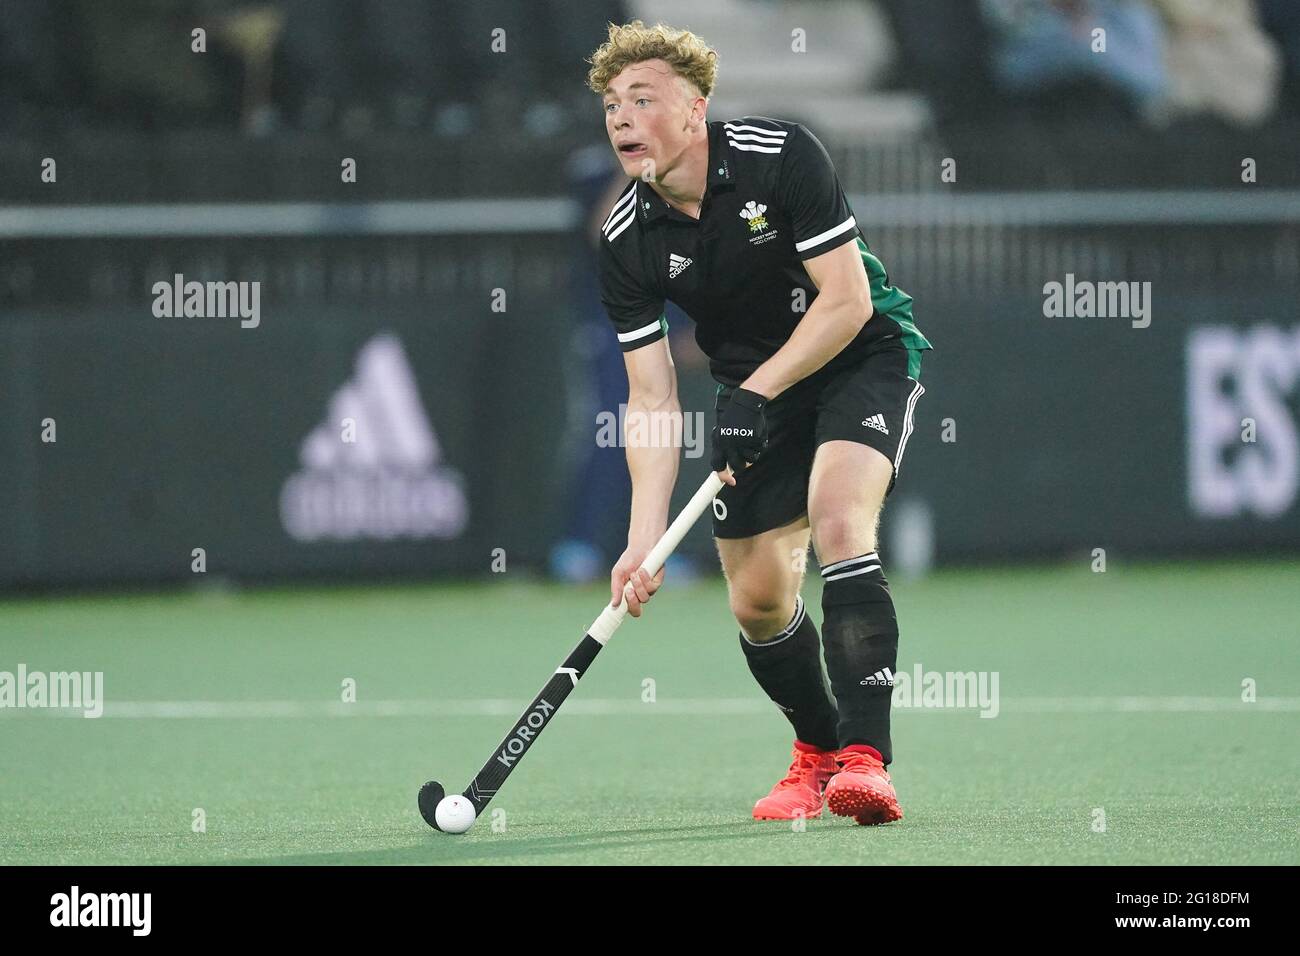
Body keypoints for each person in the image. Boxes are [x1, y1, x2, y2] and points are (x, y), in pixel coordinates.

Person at [587, 20, 931, 825]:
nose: (623, 118)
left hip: (859, 355)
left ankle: (867, 763)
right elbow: (651, 397)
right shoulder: (626, 239)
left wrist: (756, 392)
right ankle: (817, 749)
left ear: (696, 107)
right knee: (759, 600)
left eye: (644, 98)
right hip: (755, 390)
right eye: (610, 105)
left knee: (844, 523)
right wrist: (642, 539)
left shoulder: (780, 157)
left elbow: (845, 302)